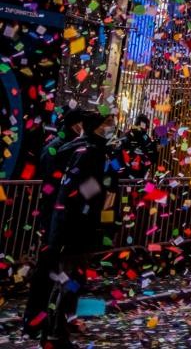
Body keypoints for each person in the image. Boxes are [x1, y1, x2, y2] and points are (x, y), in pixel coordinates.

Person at [24, 108, 115, 347]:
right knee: (66, 280)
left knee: (59, 278)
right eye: (107, 123)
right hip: (72, 227)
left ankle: (47, 329)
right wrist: (102, 192)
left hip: (62, 224)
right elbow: (79, 190)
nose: (110, 128)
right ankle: (53, 332)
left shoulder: (77, 148)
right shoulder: (88, 151)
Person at [115, 115, 159, 180]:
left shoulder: (128, 134)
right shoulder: (141, 136)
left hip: (131, 172)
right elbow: (152, 155)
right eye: (146, 126)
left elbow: (152, 154)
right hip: (132, 172)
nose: (146, 129)